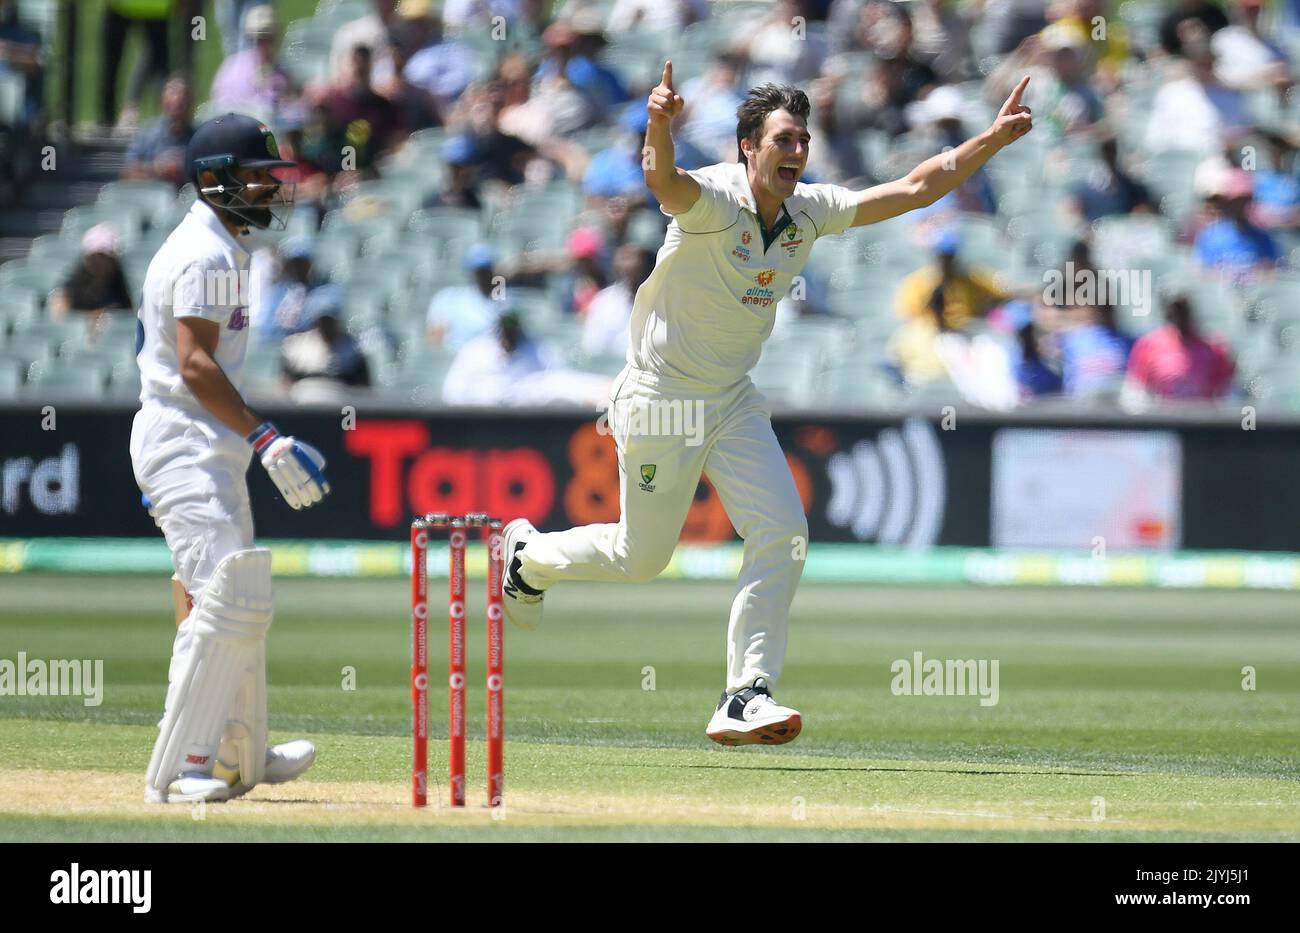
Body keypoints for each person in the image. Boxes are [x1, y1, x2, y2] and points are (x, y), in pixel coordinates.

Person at [498, 64, 1035, 746]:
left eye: (803, 139)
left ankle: (745, 693)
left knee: (784, 532)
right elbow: (662, 182)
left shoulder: (809, 210)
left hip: (732, 398)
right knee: (642, 557)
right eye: (783, 139)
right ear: (747, 146)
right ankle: (527, 559)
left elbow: (915, 187)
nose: (796, 151)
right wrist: (658, 126)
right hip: (661, 399)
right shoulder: (715, 198)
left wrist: (990, 139)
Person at [130, 113, 328, 804]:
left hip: (206, 444)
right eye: (256, 177)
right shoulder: (207, 254)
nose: (270, 189)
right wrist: (265, 435)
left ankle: (244, 751)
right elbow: (193, 363)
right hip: (184, 441)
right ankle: (181, 769)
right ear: (212, 179)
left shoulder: (226, 244)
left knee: (237, 597)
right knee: (220, 600)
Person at [1122, 294, 1234, 407]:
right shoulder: (1148, 345)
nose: (1179, 316)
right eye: (1174, 311)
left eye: (1182, 311)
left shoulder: (1213, 348)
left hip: (1200, 418)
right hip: (1163, 418)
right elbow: (1136, 390)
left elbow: (1226, 391)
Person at [280, 285, 371, 403]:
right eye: (322, 320)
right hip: (302, 408)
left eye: (330, 320)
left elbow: (362, 387)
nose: (326, 325)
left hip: (339, 409)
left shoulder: (352, 349)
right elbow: (285, 384)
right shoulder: (297, 347)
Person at [442, 310, 550, 405]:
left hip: (522, 420)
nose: (508, 338)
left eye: (512, 333)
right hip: (479, 418)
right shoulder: (474, 352)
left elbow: (554, 383)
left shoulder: (537, 352)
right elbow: (452, 391)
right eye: (505, 333)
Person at [208, 4, 294, 122]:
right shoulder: (232, 68)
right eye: (259, 39)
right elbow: (220, 107)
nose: (265, 44)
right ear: (250, 39)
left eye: (269, 37)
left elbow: (288, 107)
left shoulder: (283, 70)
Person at [49, 224, 134, 340]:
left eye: (104, 256)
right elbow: (59, 316)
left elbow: (126, 314)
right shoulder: (71, 287)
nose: (99, 262)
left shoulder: (119, 287)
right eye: (94, 256)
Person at [426, 243, 506, 350]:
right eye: (479, 272)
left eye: (487, 271)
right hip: (458, 361)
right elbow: (434, 341)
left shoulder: (506, 301)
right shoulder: (448, 298)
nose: (484, 277)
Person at [123, 74, 195, 187]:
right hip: (151, 196)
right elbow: (128, 173)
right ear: (162, 104)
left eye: (182, 105)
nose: (178, 111)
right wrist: (155, 169)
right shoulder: (147, 134)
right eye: (172, 106)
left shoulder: (198, 138)